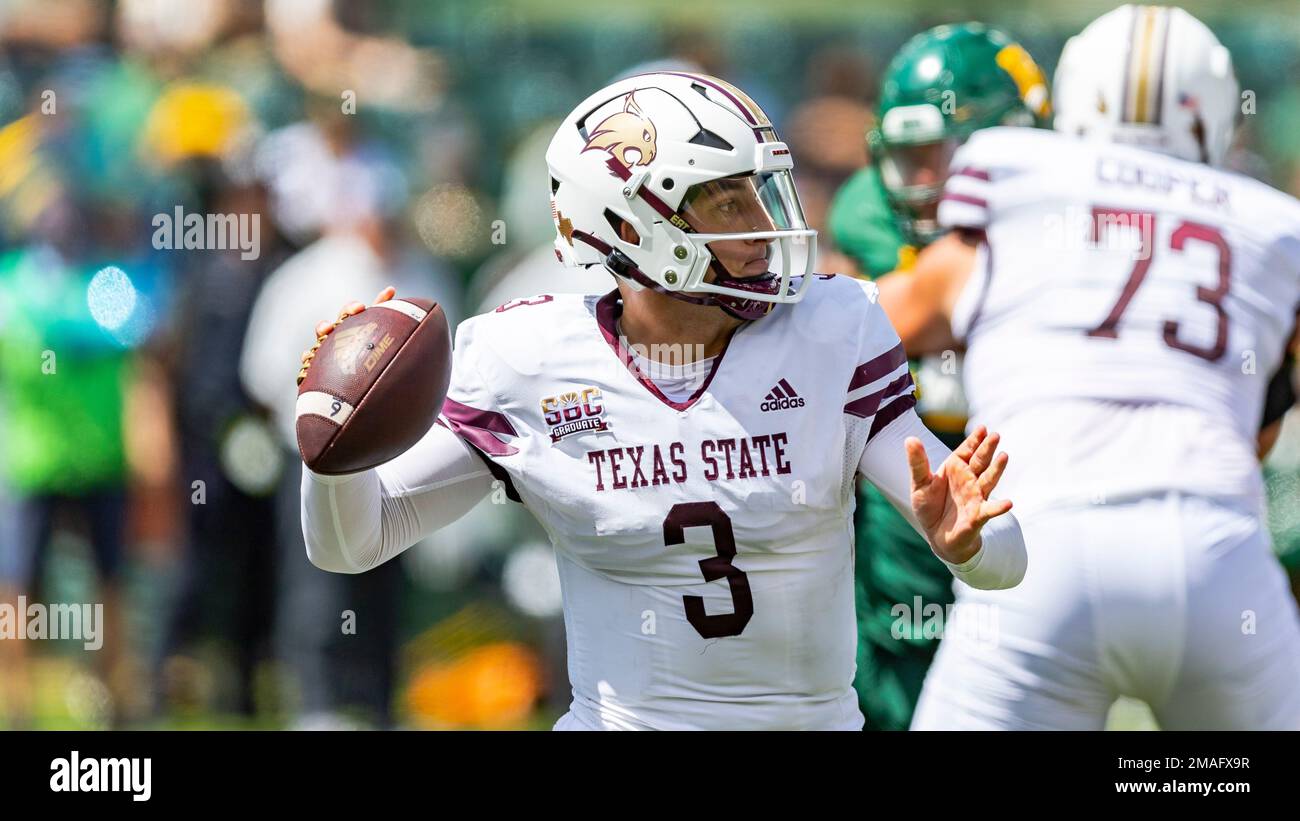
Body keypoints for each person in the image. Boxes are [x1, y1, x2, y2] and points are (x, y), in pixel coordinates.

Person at [300, 72, 1027, 731]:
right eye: (728, 200)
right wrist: (332, 436)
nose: (763, 227)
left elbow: (1004, 557)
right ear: (628, 227)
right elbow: (354, 541)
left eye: (761, 192)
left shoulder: (832, 330)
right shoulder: (528, 358)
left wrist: (967, 543)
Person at [879, 5, 1300, 729]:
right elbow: (1260, 432)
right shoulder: (1265, 223)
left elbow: (881, 323)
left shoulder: (1020, 178)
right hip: (1215, 549)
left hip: (1046, 549)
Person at [826, 23, 1050, 730]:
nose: (916, 181)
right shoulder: (870, 207)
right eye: (906, 157)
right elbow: (918, 305)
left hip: (1034, 491)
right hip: (912, 502)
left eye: (935, 155)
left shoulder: (1065, 219)